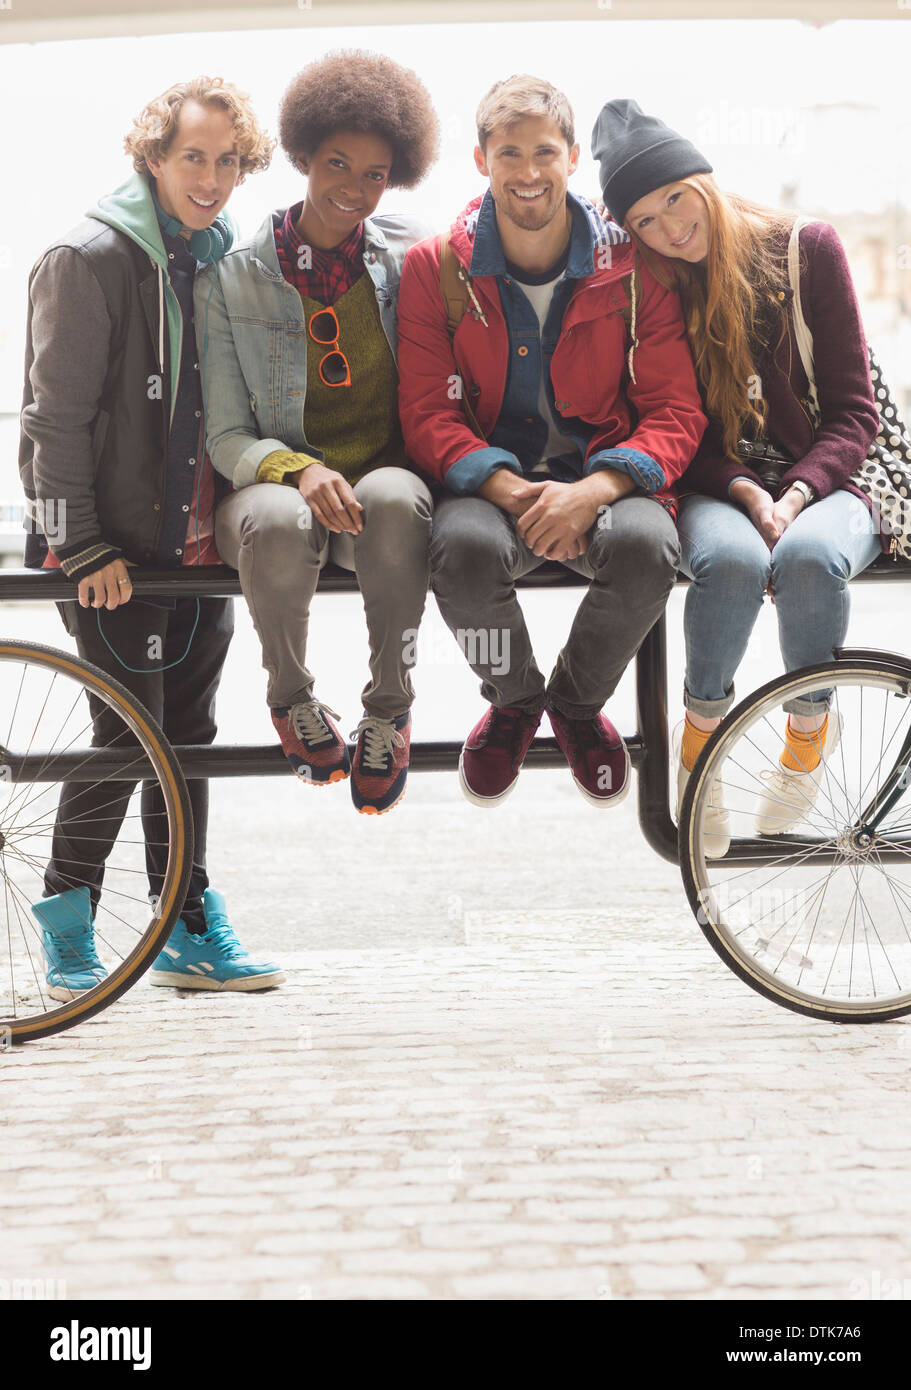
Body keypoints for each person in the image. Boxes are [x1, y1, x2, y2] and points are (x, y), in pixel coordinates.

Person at [21, 77, 284, 996]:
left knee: (193, 736)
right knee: (123, 741)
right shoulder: (86, 258)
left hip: (199, 547)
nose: (209, 178)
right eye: (191, 158)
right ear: (152, 159)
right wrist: (82, 547)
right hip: (113, 555)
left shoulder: (227, 260)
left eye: (225, 161)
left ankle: (185, 917)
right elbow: (50, 425)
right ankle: (66, 920)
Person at [396, 75, 706, 809]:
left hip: (604, 478)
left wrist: (594, 489)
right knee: (461, 549)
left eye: (543, 151)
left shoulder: (635, 267)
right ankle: (513, 702)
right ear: (481, 160)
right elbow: (424, 416)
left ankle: (571, 707)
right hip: (487, 485)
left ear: (571, 156)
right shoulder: (434, 268)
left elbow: (674, 410)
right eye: (509, 153)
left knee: (646, 547)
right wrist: (512, 489)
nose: (527, 172)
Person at [592, 99, 882, 855]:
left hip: (833, 480)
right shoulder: (657, 283)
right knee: (733, 560)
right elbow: (679, 426)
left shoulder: (804, 249)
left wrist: (795, 491)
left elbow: (855, 412)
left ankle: (804, 741)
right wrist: (748, 491)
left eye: (673, 201)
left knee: (809, 557)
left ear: (701, 180)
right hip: (716, 483)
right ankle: (700, 751)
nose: (667, 229)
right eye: (644, 221)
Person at [199, 50, 440, 816]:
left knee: (401, 498)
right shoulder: (233, 275)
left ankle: (389, 710)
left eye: (374, 174)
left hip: (375, 487)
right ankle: (291, 698)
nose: (353, 188)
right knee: (274, 517)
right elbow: (226, 435)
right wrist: (298, 470)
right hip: (274, 488)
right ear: (302, 156)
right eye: (337, 163)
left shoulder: (405, 258)